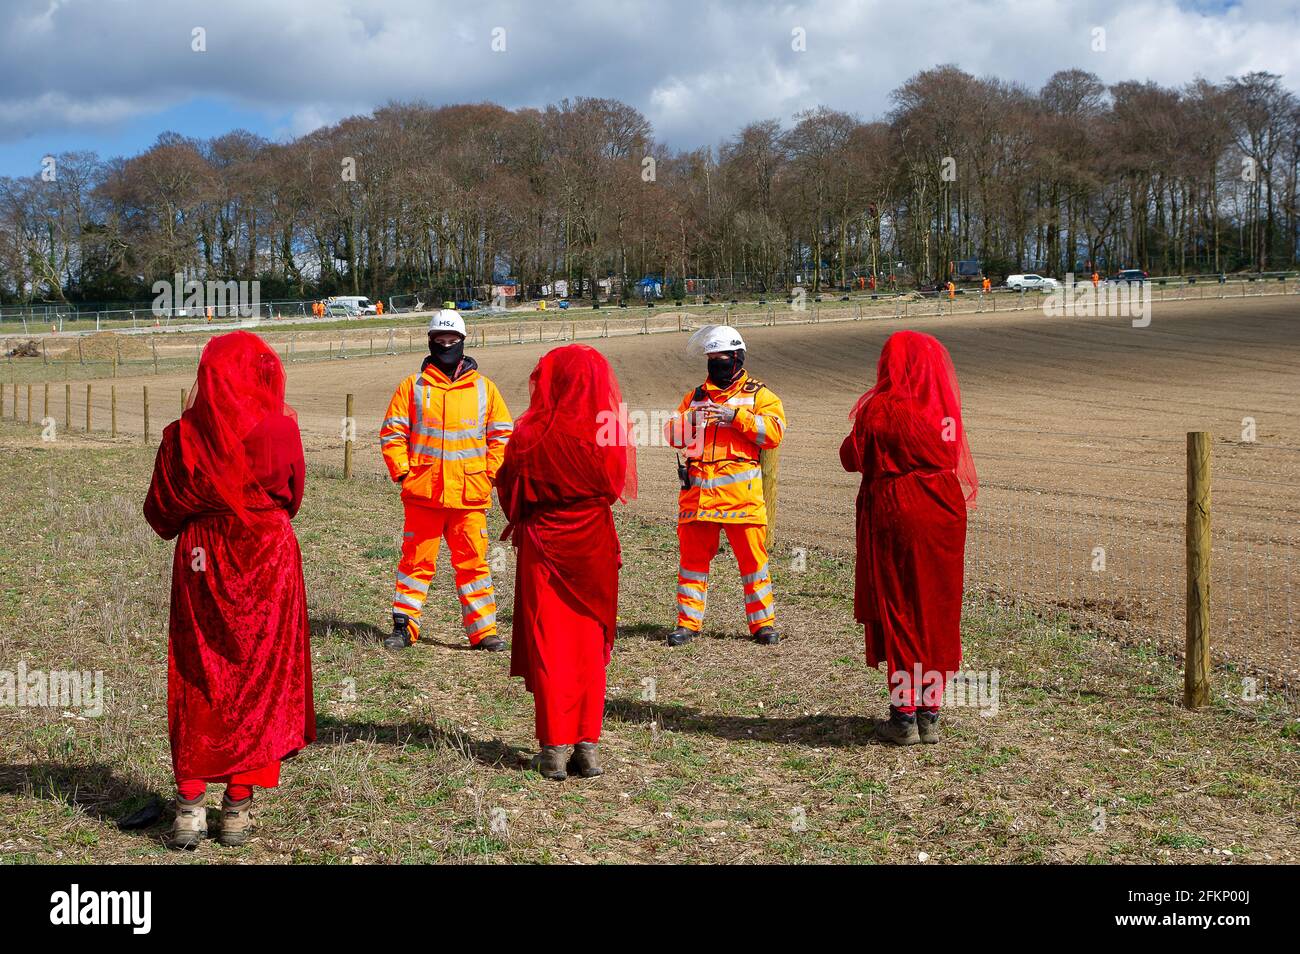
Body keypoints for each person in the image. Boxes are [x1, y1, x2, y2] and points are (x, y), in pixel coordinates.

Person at [143, 331, 315, 849]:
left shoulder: (181, 436)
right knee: (261, 677)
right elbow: (292, 495)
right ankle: (237, 806)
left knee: (198, 675)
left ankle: (188, 806)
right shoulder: (279, 429)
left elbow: (161, 512)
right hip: (265, 555)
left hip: (202, 560)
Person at [496, 344, 636, 780]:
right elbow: (614, 484)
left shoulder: (531, 431)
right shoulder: (608, 427)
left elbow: (510, 489)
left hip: (545, 547)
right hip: (592, 544)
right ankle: (587, 747)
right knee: (589, 645)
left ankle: (554, 747)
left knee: (550, 642)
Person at [838, 330, 977, 746]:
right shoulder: (943, 410)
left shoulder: (879, 409)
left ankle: (903, 717)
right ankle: (929, 713)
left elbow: (851, 458)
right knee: (936, 606)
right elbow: (951, 455)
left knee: (900, 607)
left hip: (898, 511)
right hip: (944, 511)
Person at [379, 309, 513, 651]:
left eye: (452, 340)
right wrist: (404, 472)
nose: (446, 345)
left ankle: (484, 632)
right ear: (430, 342)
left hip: (470, 497)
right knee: (415, 563)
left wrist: (489, 475)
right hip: (423, 494)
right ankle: (404, 627)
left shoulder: (485, 389)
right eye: (440, 340)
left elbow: (502, 436)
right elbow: (392, 433)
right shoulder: (412, 387)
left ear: (464, 342)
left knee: (474, 565)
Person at [663, 325, 786, 646]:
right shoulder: (696, 397)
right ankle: (687, 624)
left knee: (754, 565)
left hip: (741, 502)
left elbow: (774, 433)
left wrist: (735, 418)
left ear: (737, 358)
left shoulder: (760, 395)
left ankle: (763, 625)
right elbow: (671, 435)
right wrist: (691, 419)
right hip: (698, 501)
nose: (716, 364)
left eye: (722, 358)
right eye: (711, 358)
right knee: (692, 565)